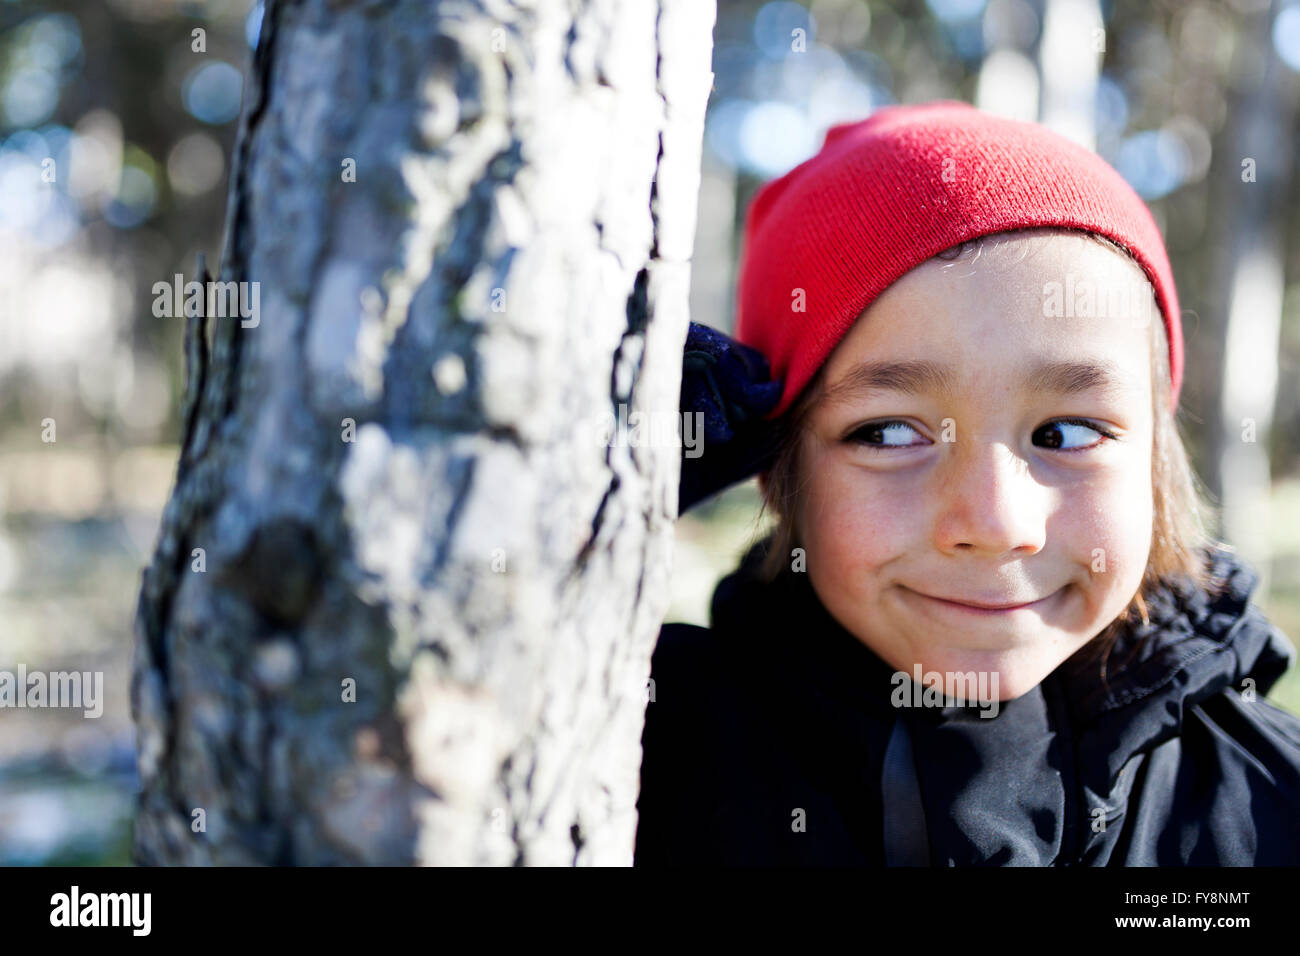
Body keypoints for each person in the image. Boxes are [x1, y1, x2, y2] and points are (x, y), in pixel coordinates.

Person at [634, 100, 1300, 866]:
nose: (994, 520)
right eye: (887, 433)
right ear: (778, 469)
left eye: (1068, 433)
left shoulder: (1271, 799)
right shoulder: (657, 750)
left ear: (1156, 459)